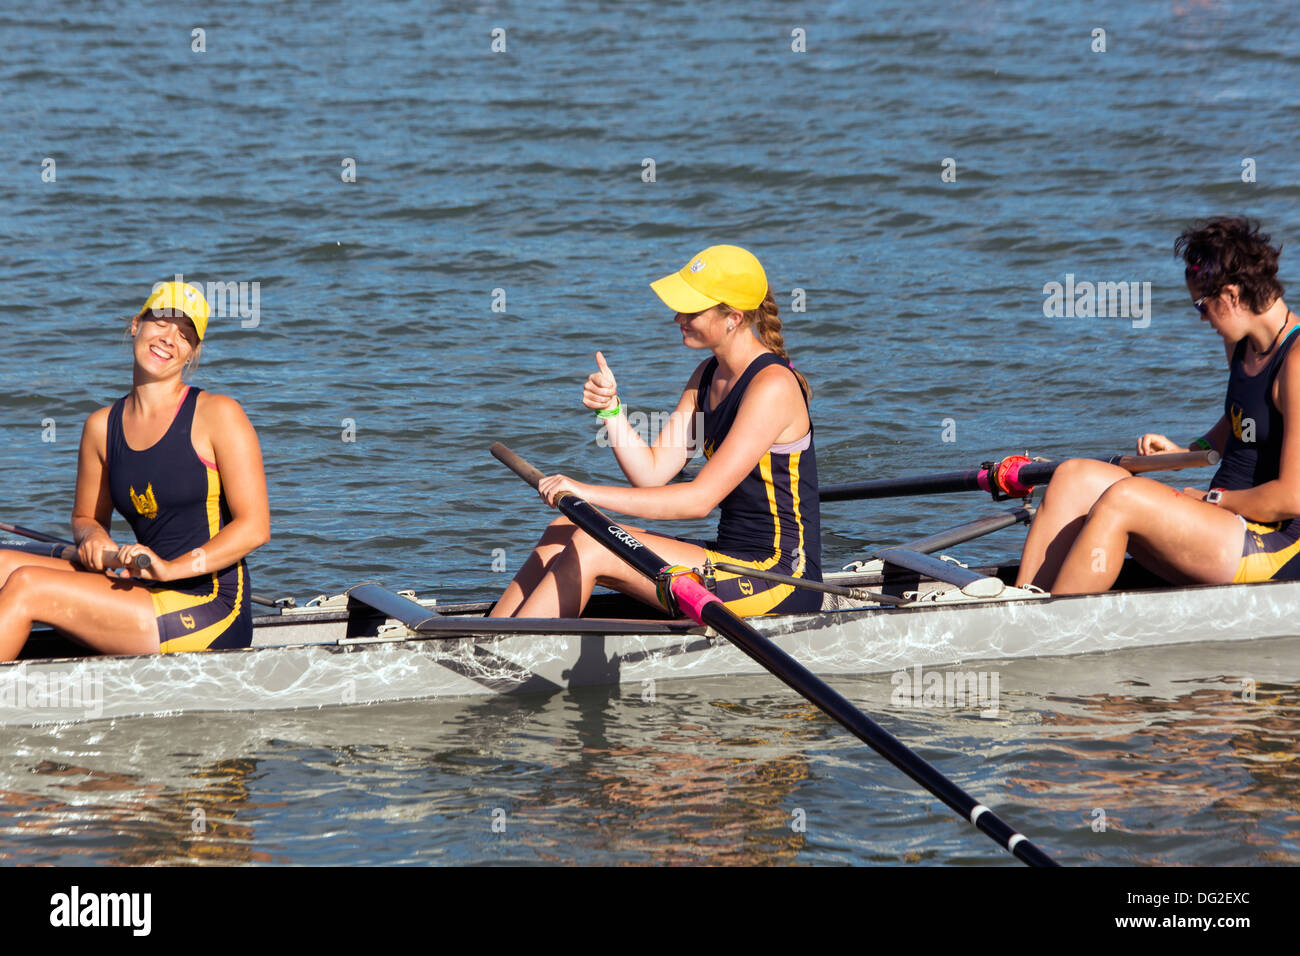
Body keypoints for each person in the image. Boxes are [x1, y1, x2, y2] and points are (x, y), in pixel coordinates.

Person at [491, 245, 821, 619]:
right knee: (564, 528)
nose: (678, 316)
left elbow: (698, 501)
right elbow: (651, 475)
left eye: (692, 309)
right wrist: (611, 410)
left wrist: (583, 491)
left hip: (781, 578)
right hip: (728, 558)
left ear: (733, 317)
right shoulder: (706, 375)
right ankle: (481, 642)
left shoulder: (773, 386)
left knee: (592, 544)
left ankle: (506, 662)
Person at [1017, 217, 1300, 594]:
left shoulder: (1295, 362)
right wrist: (1190, 450)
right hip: (1222, 526)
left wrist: (1214, 499)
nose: (1201, 318)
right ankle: (1019, 606)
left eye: (1202, 305)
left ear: (1232, 295)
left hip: (1273, 546)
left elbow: (1290, 497)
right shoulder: (1241, 343)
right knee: (1073, 477)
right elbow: (1241, 421)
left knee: (1125, 497)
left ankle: (1053, 628)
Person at [0, 281, 270, 660]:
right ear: (136, 325)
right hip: (142, 584)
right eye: (162, 322)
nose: (169, 339)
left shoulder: (219, 414)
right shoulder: (100, 427)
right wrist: (93, 537)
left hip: (209, 606)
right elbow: (85, 518)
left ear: (192, 353)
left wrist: (172, 569)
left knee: (28, 585)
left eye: (185, 335)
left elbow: (255, 528)